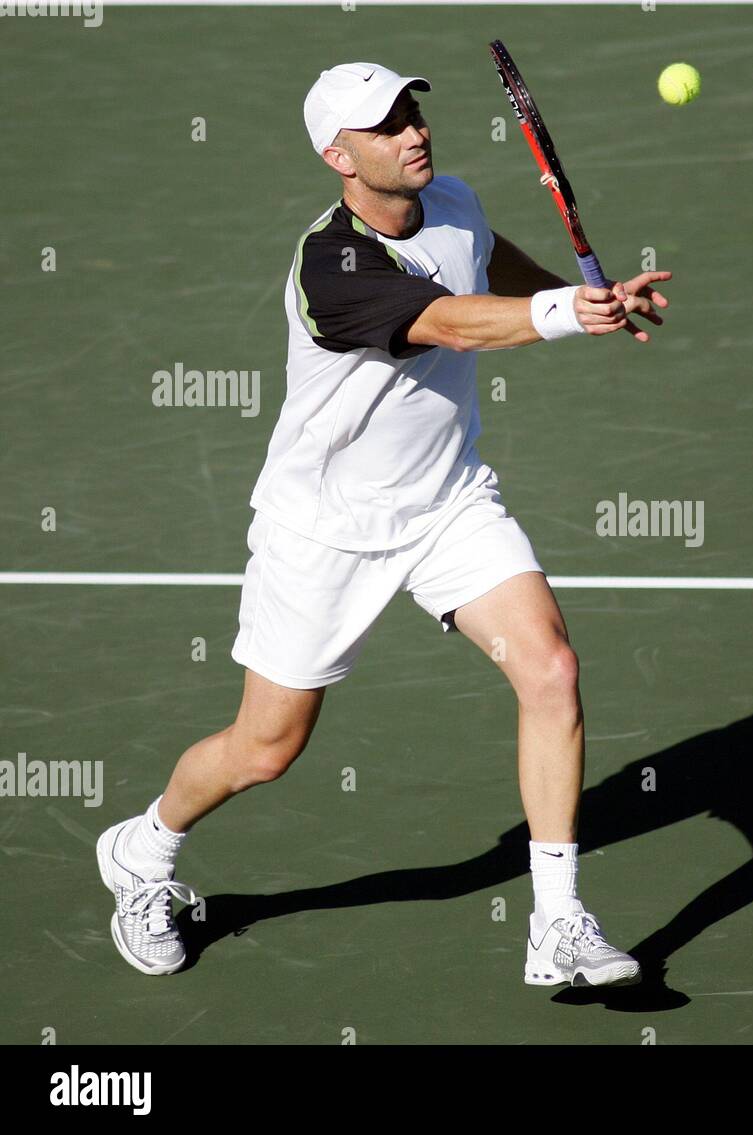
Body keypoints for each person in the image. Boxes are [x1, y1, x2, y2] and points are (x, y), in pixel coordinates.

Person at [95, 62, 671, 990]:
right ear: (338, 156)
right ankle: (144, 849)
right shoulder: (334, 269)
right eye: (383, 125)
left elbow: (483, 258)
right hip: (325, 528)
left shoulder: (453, 200)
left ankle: (556, 921)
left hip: (445, 499)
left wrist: (575, 294)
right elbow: (449, 321)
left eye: (411, 111)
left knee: (551, 667)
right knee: (266, 748)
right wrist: (564, 315)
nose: (413, 131)